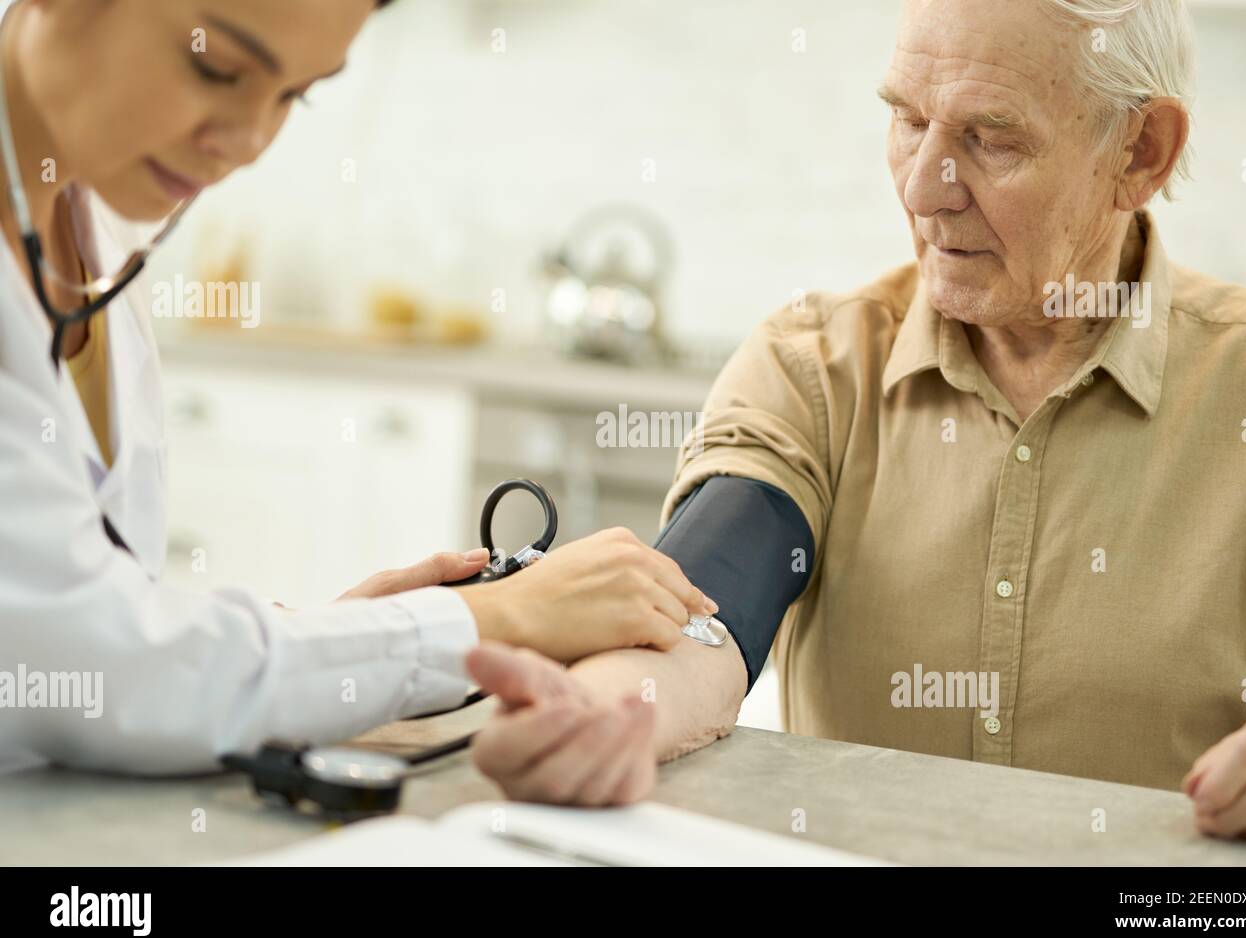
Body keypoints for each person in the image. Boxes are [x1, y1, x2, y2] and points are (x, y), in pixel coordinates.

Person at [503, 0, 1246, 842]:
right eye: (908, 120)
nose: (923, 187)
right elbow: (713, 597)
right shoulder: (812, 366)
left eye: (991, 139)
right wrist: (605, 712)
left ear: (1140, 152)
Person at [0, 0, 714, 804]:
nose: (246, 144)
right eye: (218, 68)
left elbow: (98, 610)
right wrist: (500, 618)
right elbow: (86, 666)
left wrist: (328, 641)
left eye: (291, 94)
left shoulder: (91, 240)